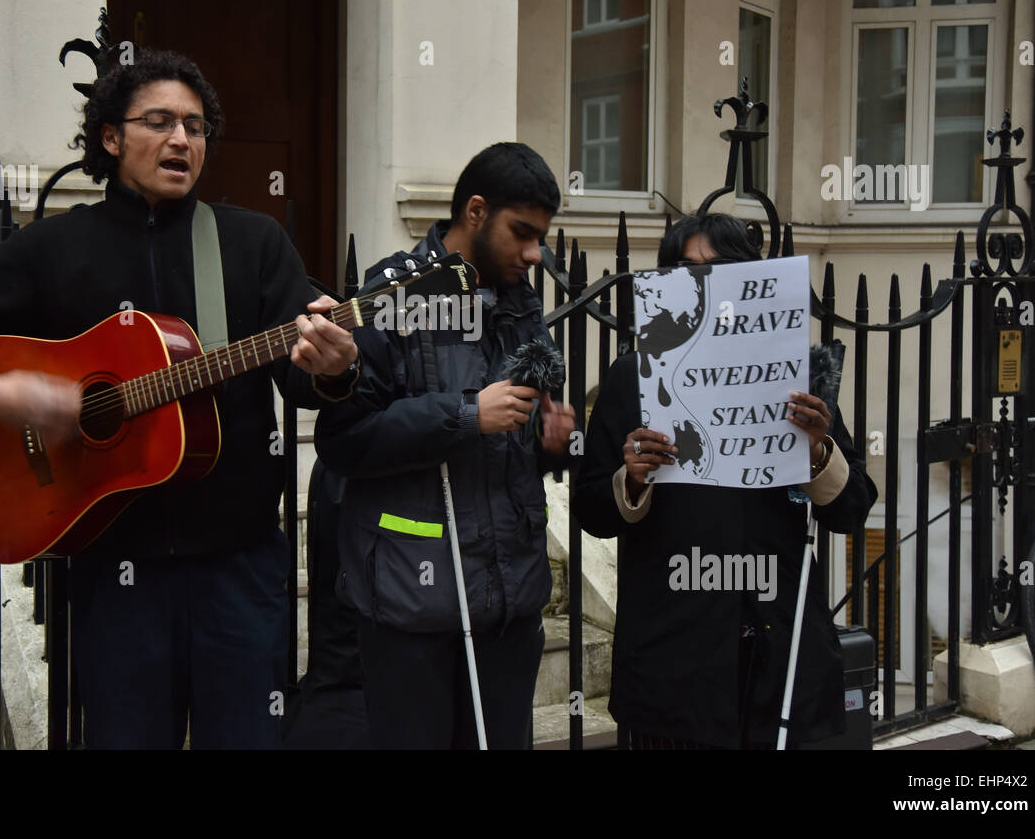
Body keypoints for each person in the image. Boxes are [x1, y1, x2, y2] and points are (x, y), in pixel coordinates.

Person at [0, 48, 359, 748]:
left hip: (239, 570)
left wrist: (334, 368)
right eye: (161, 122)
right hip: (115, 579)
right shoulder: (55, 248)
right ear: (111, 138)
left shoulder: (249, 242)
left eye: (197, 128)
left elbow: (302, 372)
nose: (183, 140)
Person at [571, 212, 877, 749]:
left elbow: (851, 510)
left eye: (724, 272)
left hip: (777, 653)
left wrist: (817, 451)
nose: (707, 287)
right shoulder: (632, 378)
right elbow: (591, 511)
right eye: (689, 272)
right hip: (674, 659)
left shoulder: (795, 380)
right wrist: (633, 480)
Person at [315, 143, 576, 749]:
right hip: (412, 607)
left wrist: (552, 441)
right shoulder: (391, 293)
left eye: (542, 237)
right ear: (476, 212)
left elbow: (525, 452)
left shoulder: (520, 305)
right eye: (523, 233)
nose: (536, 253)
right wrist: (465, 415)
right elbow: (344, 442)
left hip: (510, 607)